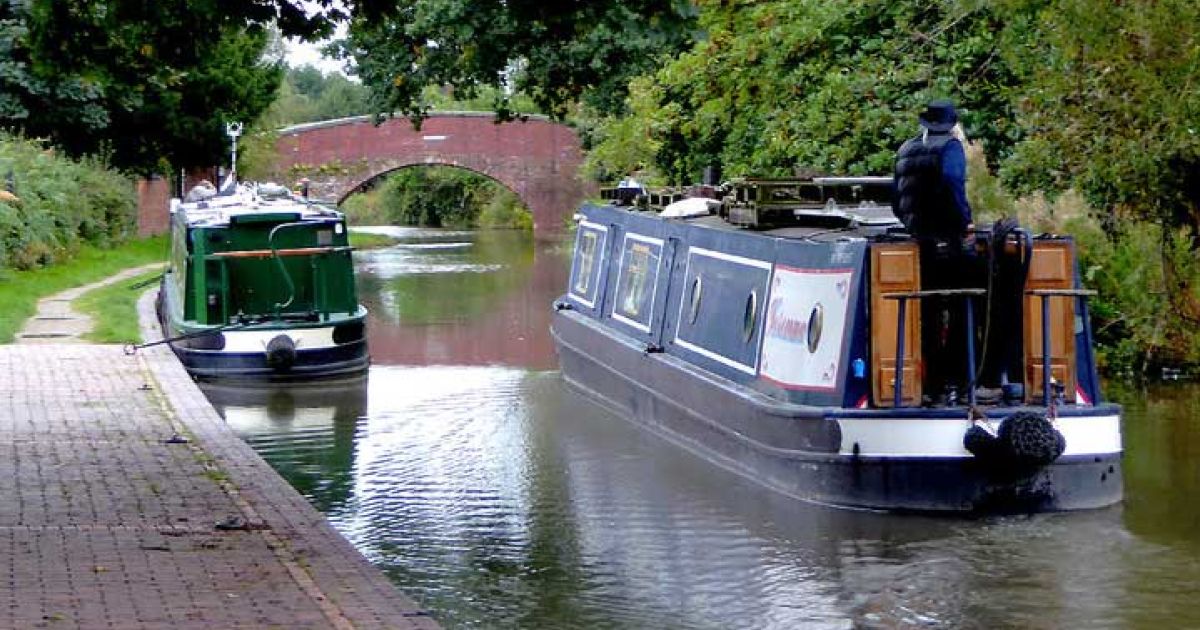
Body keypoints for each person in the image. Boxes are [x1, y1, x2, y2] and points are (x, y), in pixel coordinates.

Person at [893, 100, 979, 405]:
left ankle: (931, 384)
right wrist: (965, 221)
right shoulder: (951, 148)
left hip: (919, 245)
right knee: (963, 308)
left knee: (927, 313)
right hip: (949, 243)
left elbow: (896, 201)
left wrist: (915, 225)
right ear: (953, 126)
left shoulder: (906, 149)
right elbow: (954, 184)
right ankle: (961, 382)